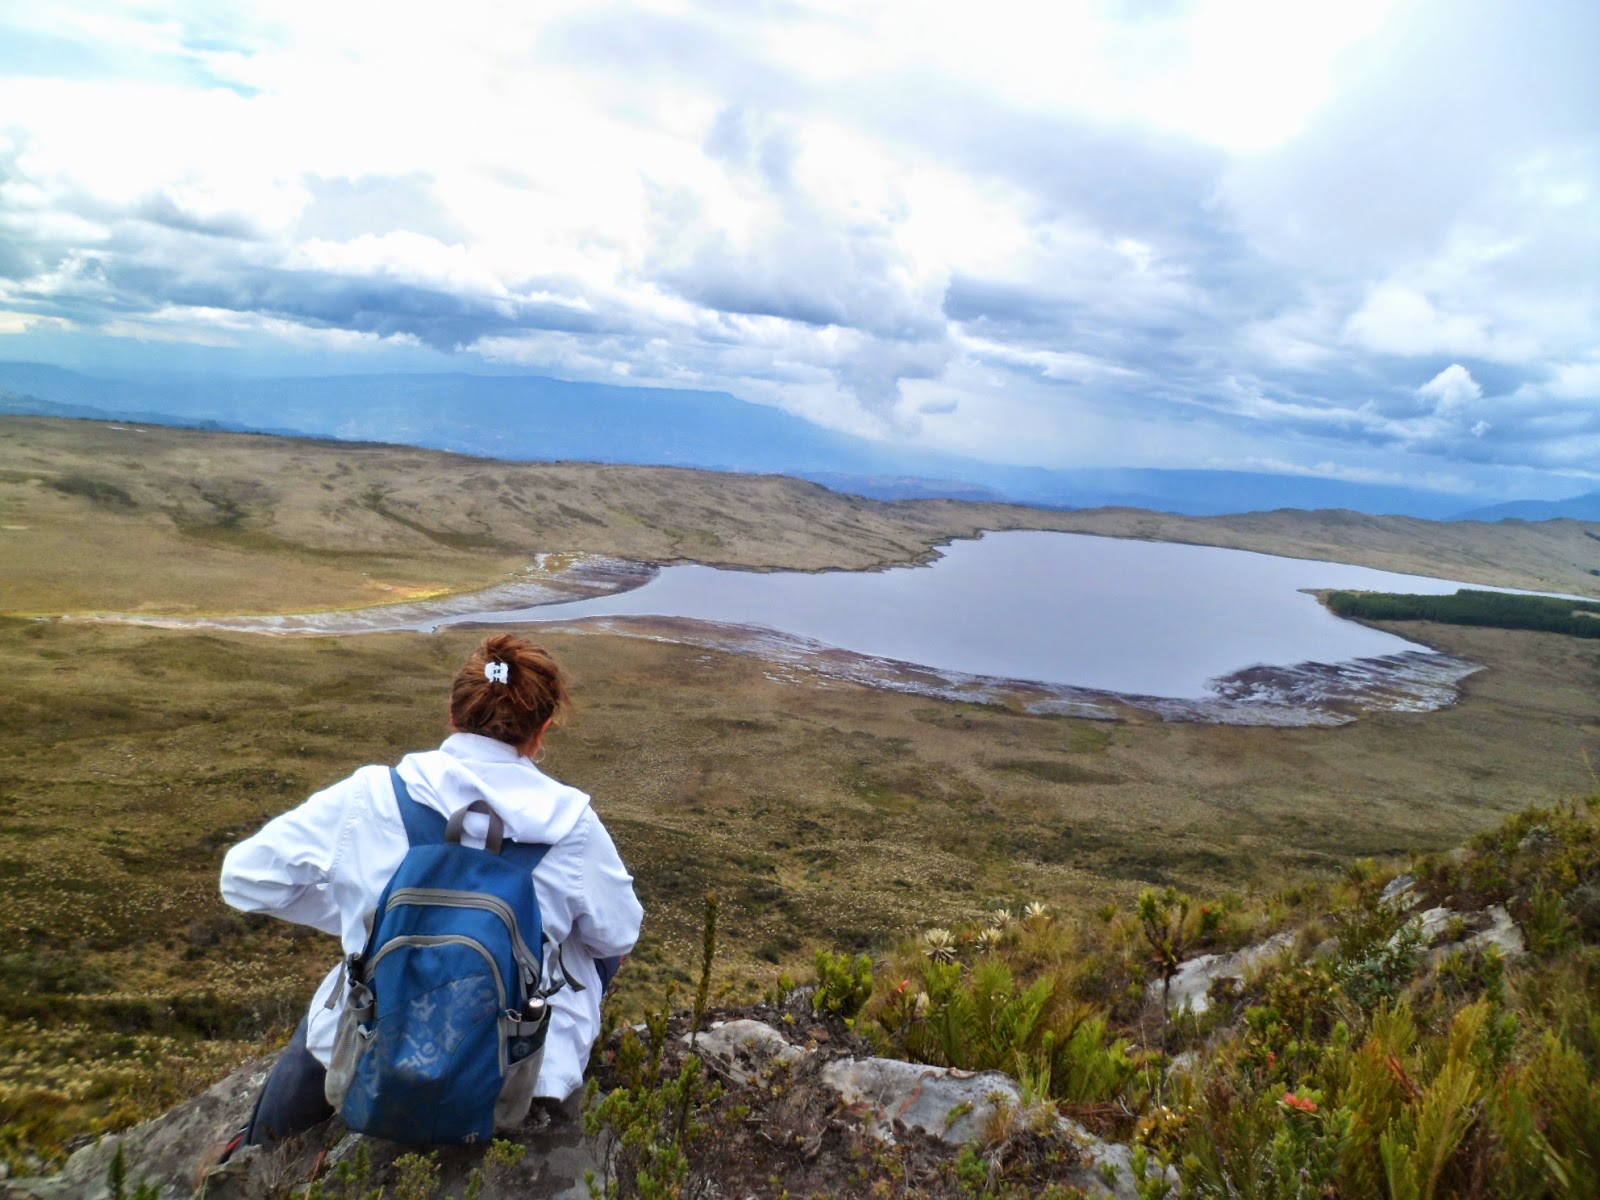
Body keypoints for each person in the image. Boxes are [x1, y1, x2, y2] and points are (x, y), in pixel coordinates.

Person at [215, 632, 643, 1151]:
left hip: (368, 1038)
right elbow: (619, 932)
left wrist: (369, 917)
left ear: (453, 711)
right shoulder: (573, 825)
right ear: (543, 729)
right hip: (520, 1075)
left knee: (347, 986)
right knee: (596, 949)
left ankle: (256, 1150)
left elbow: (245, 878)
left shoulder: (368, 794)